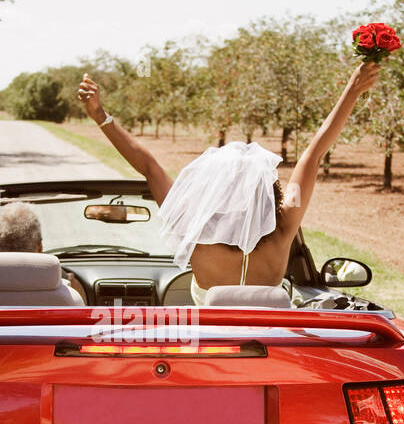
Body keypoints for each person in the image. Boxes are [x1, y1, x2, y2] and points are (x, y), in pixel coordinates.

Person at [77, 62, 380, 303]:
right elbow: (312, 156)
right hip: (273, 355)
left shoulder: (192, 232)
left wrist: (100, 115)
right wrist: (352, 91)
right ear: (266, 193)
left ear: (213, 193)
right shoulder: (284, 229)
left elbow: (150, 168)